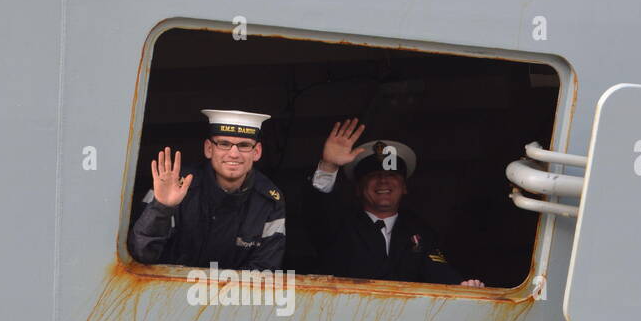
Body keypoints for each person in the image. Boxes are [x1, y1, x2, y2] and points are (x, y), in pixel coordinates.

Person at [306, 118, 484, 286]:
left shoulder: (418, 230)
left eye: (391, 175)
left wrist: (462, 286)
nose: (383, 181)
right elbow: (317, 210)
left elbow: (437, 269)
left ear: (404, 187)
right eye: (374, 176)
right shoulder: (339, 223)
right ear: (358, 189)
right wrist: (328, 166)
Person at [127, 109, 285, 271]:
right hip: (166, 291)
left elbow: (265, 270)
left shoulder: (269, 200)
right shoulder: (174, 185)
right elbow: (142, 255)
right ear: (209, 149)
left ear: (257, 152)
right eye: (224, 144)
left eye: (244, 145)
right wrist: (162, 208)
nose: (234, 154)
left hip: (231, 295)